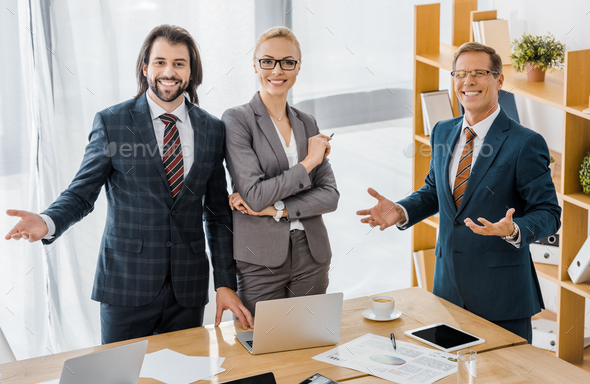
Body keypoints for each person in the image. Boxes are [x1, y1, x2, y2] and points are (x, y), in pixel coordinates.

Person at [5, 24, 253, 344]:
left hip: (188, 289)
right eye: (160, 62)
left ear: (191, 73)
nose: (169, 71)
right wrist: (48, 220)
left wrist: (224, 283)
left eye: (179, 63)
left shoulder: (212, 129)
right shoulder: (113, 122)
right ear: (145, 67)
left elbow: (217, 214)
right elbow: (82, 193)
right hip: (125, 285)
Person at [357, 42, 560, 343]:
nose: (469, 82)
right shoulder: (442, 130)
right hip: (448, 288)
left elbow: (549, 212)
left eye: (479, 73)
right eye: (461, 74)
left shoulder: (525, 142)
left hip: (502, 295)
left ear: (499, 80)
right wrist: (401, 211)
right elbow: (434, 192)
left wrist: (515, 229)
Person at [222, 26, 339, 316]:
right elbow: (254, 195)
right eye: (267, 61)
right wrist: (309, 163)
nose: (277, 70)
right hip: (260, 258)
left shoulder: (307, 122)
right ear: (255, 65)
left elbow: (330, 196)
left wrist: (278, 210)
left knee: (308, 344)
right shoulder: (237, 120)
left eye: (288, 62)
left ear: (298, 68)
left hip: (312, 254)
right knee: (258, 346)